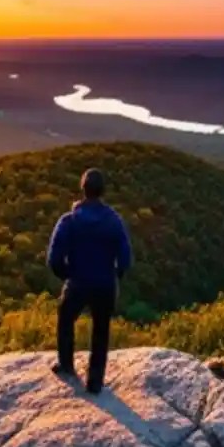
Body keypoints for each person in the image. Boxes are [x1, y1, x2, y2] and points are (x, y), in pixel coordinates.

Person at [46, 167, 132, 394]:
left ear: (83, 189)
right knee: (101, 331)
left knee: (65, 320)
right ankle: (95, 381)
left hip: (78, 283)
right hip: (104, 284)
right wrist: (115, 276)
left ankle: (66, 365)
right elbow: (125, 258)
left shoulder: (69, 221)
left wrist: (68, 275)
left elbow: (54, 258)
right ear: (102, 191)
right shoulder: (114, 221)